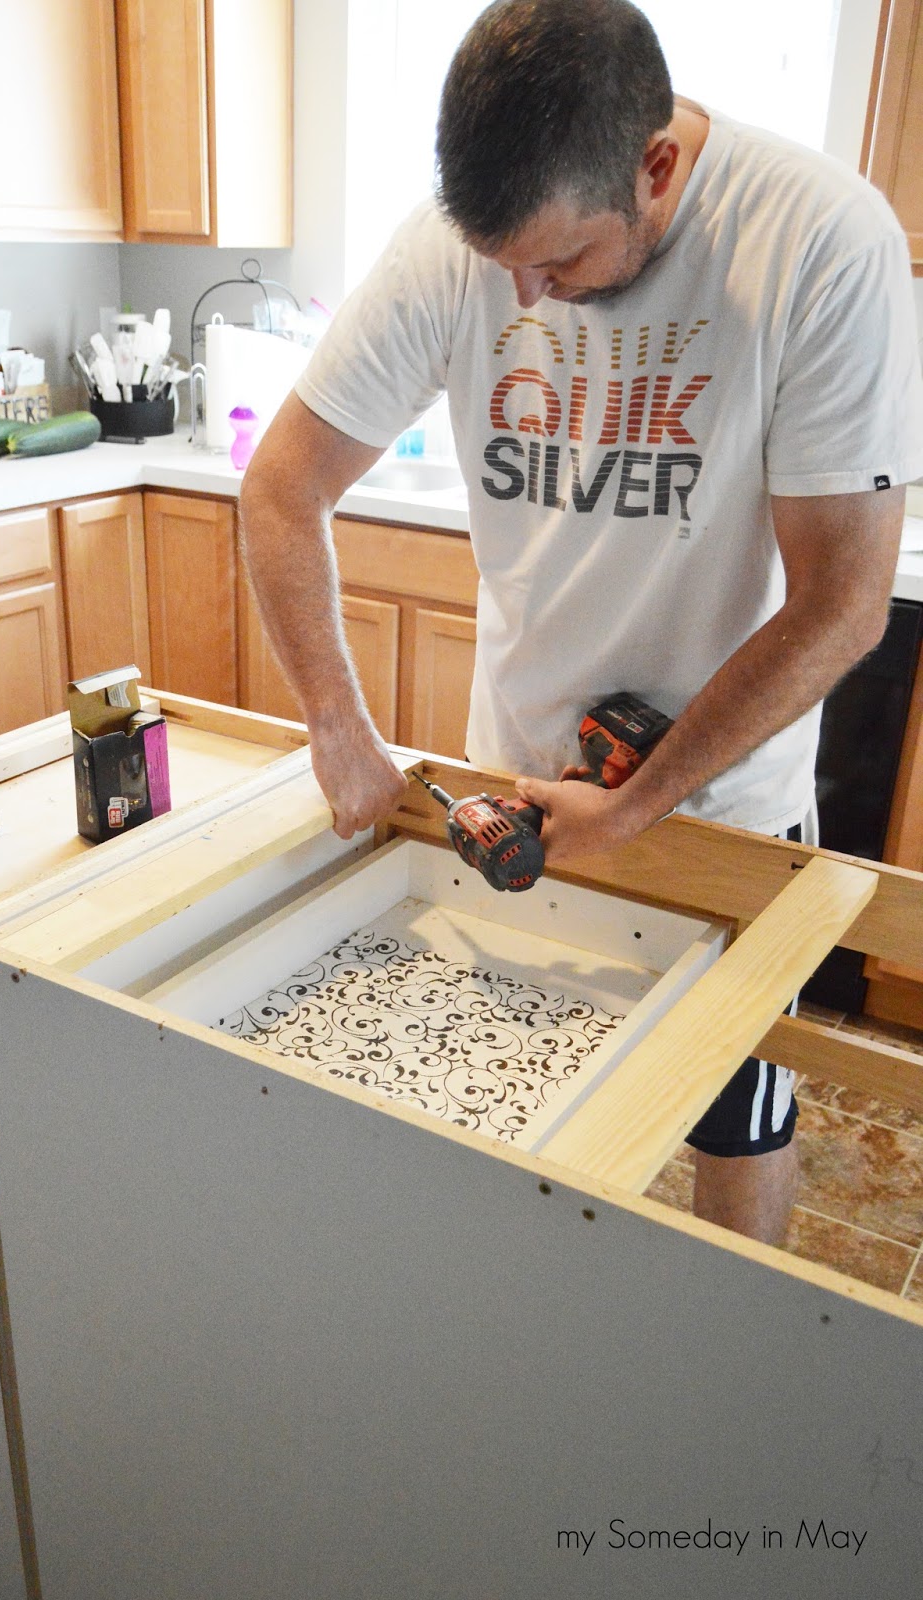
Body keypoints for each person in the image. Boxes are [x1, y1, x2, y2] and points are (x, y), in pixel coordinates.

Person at [238, 0, 923, 1245]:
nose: (523, 294)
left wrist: (639, 803)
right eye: (501, 263)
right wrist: (335, 724)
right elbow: (282, 487)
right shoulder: (459, 250)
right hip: (517, 784)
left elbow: (842, 604)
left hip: (722, 806)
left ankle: (723, 1345)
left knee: (736, 1119)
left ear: (654, 168)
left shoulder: (821, 242)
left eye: (554, 265)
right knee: (509, 1114)